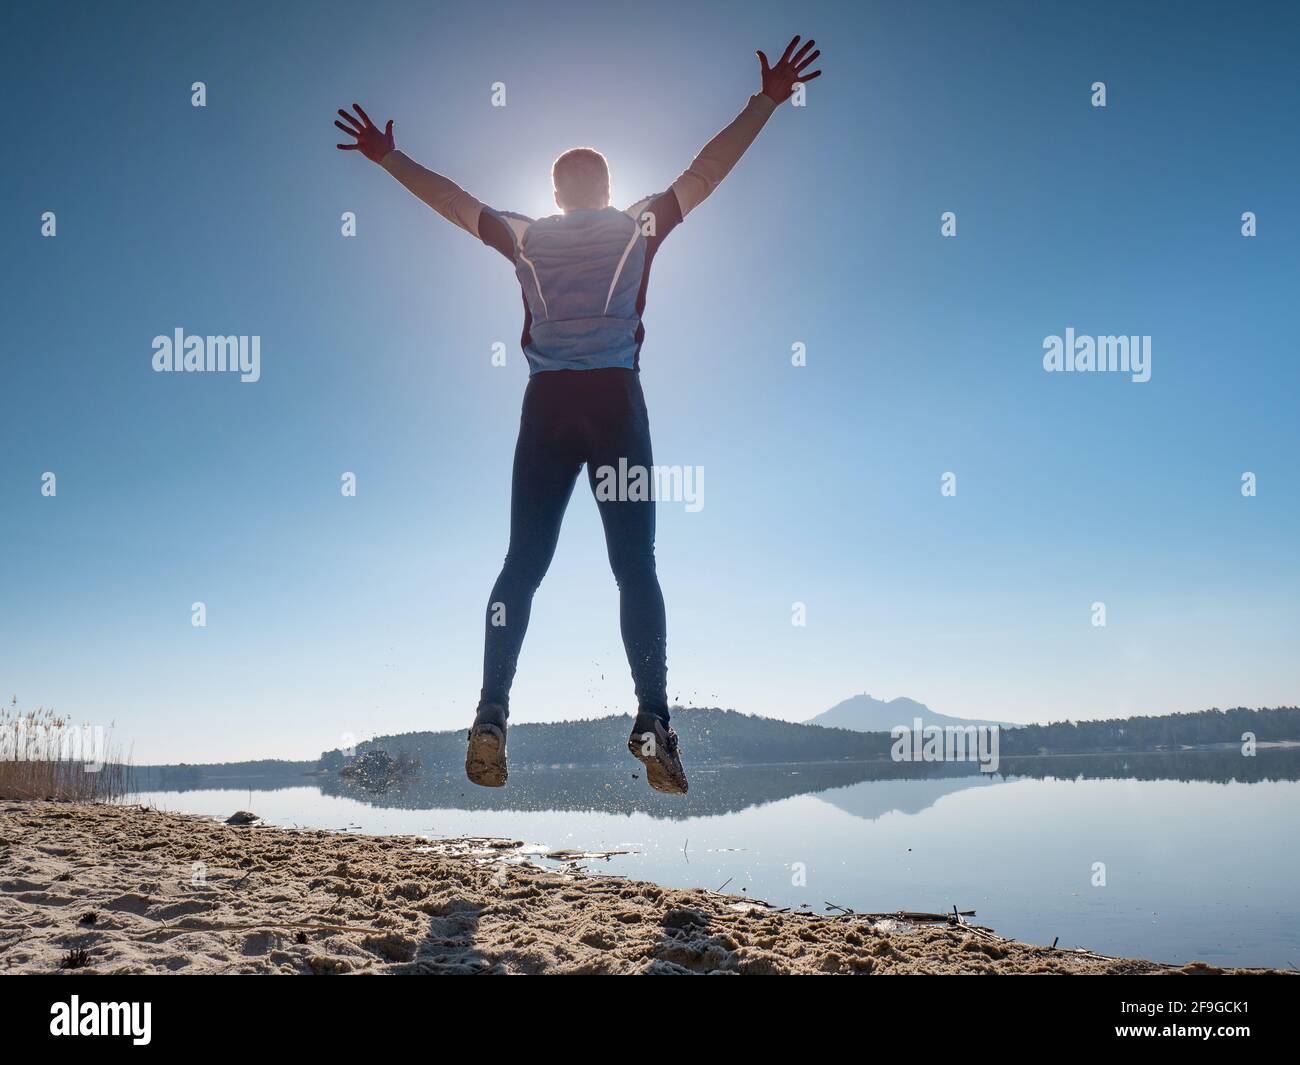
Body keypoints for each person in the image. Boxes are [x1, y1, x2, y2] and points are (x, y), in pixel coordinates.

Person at [335, 35, 823, 795]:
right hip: (615, 406)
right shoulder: (637, 227)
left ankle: (492, 713)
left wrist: (387, 159)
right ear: (606, 188)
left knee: (521, 566)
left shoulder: (527, 236)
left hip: (547, 410)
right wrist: (765, 100)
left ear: (557, 195)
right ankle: (653, 719)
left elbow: (454, 202)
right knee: (635, 565)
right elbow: (708, 171)